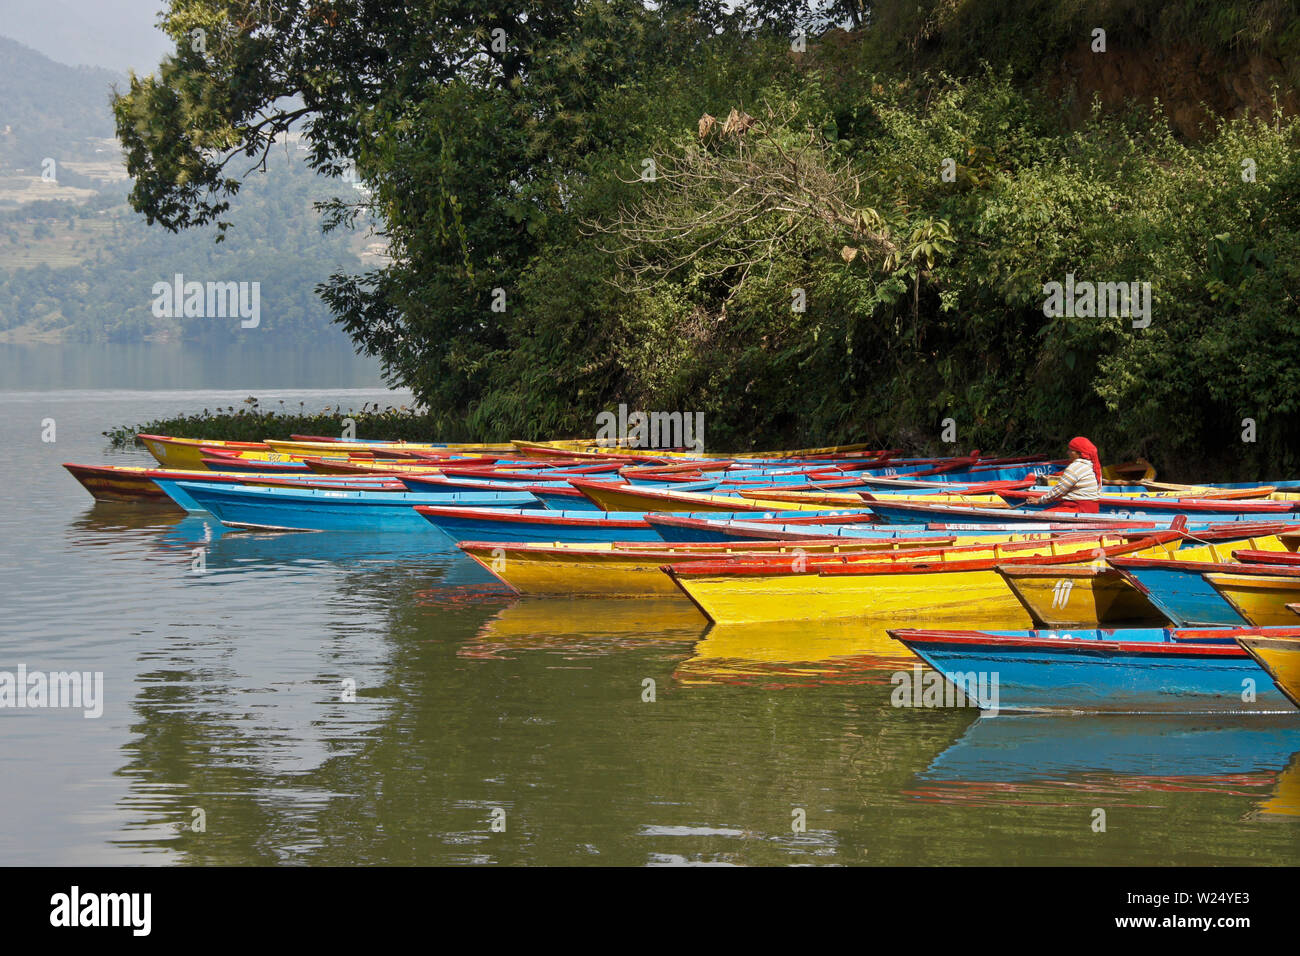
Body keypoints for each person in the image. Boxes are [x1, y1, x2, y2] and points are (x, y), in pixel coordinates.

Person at [1036, 437, 1103, 512]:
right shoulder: (1092, 466)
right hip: (1093, 508)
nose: (1067, 452)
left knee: (1040, 515)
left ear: (1079, 453)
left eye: (1070, 450)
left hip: (1078, 508)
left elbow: (1059, 491)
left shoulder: (1075, 467)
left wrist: (1039, 500)